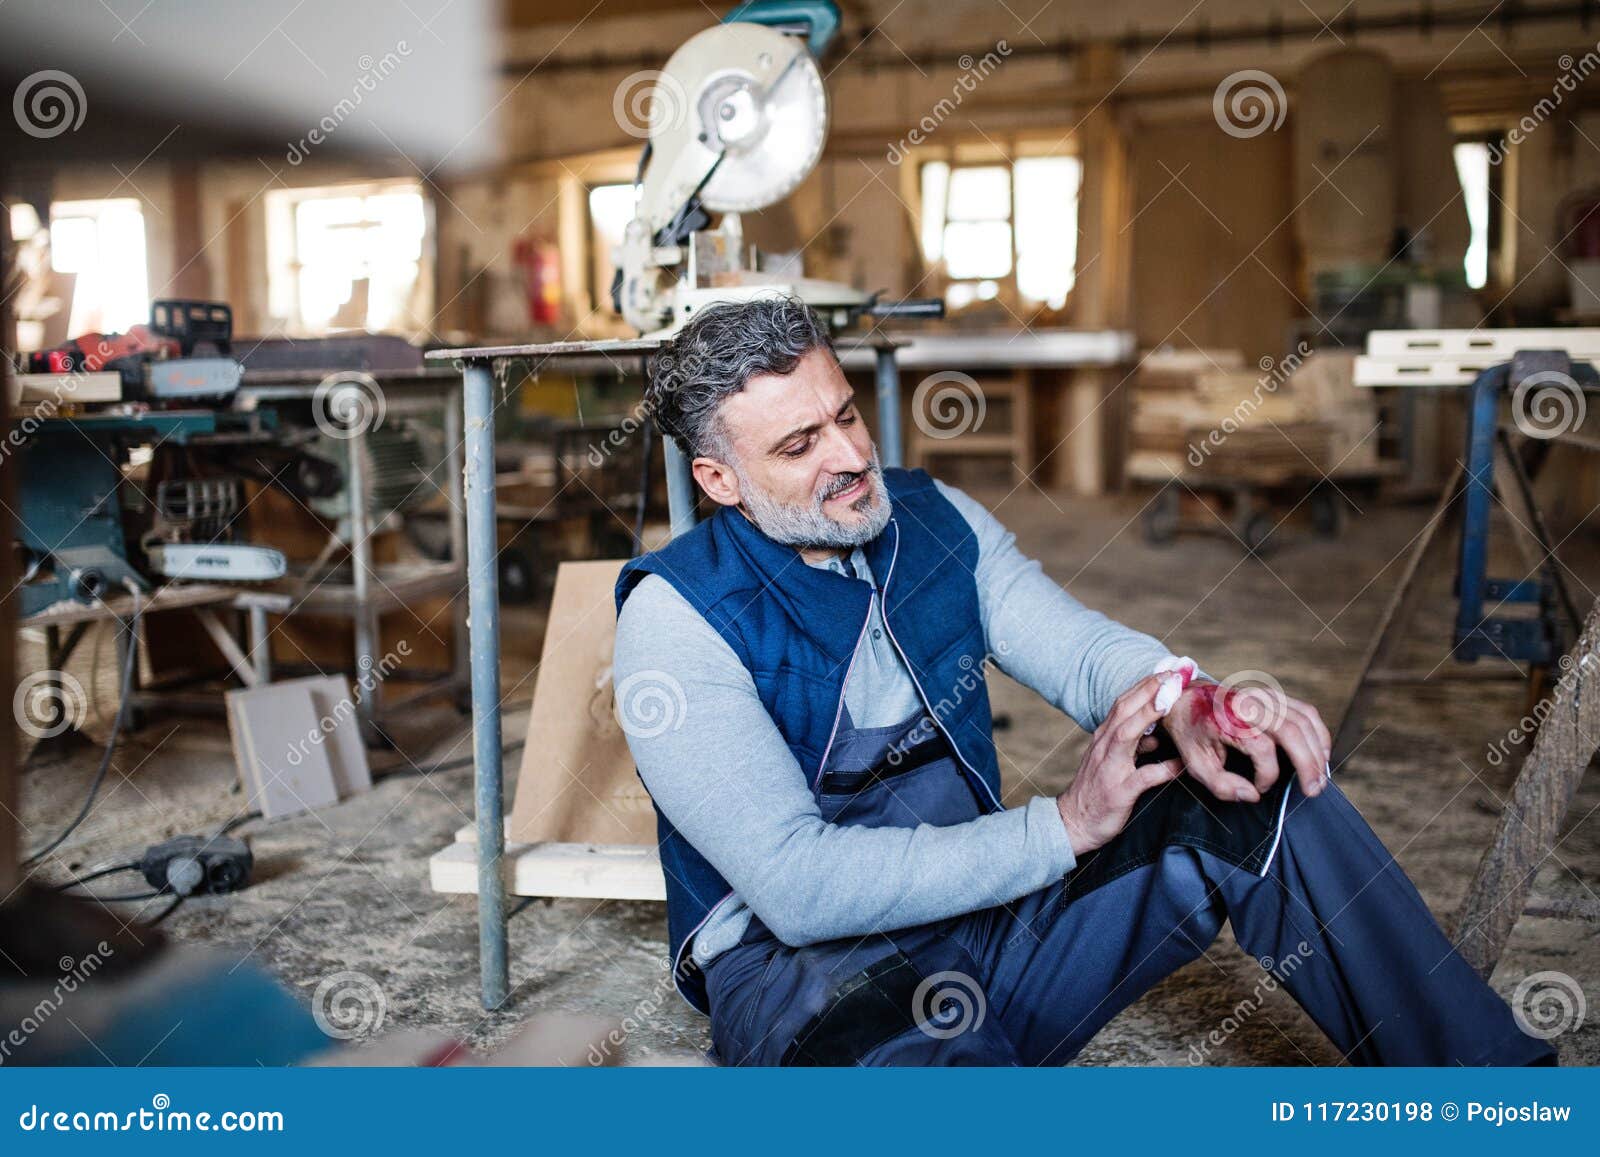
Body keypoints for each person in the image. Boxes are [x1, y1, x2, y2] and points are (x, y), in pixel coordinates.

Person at [611, 296, 1553, 1067]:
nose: (852, 457)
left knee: (1246, 778)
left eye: (846, 415)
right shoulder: (677, 617)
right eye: (799, 445)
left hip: (982, 916)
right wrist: (1060, 828)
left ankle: (1494, 1094)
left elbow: (1079, 648)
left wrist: (1189, 695)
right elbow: (799, 888)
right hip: (811, 977)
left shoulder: (933, 521)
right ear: (719, 480)